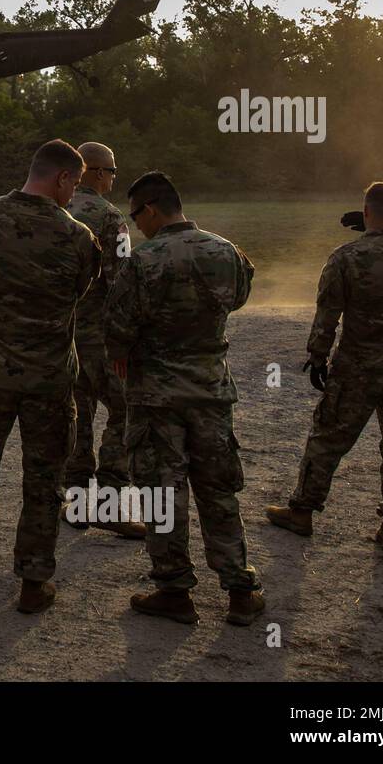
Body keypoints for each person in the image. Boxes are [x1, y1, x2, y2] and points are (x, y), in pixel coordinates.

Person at [0, 139, 99, 614]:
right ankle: (33, 581)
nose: (75, 193)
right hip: (47, 380)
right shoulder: (77, 237)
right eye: (75, 183)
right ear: (64, 178)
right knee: (44, 479)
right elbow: (81, 291)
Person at [105, 171, 264, 627]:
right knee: (218, 489)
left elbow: (117, 329)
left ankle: (173, 590)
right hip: (211, 391)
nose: (137, 226)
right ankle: (239, 590)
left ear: (151, 209)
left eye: (137, 216)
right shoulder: (227, 251)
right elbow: (236, 299)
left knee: (160, 492)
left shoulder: (143, 261)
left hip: (156, 396)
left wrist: (126, 353)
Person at [266, 182, 383, 554]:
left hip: (358, 365)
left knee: (328, 438)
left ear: (366, 211)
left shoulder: (345, 257)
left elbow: (328, 313)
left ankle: (303, 511)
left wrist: (317, 355)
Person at [63, 141, 143, 538]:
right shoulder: (111, 218)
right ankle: (111, 505)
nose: (114, 177)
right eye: (111, 171)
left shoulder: (55, 208)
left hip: (63, 336)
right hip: (99, 336)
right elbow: (122, 282)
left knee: (77, 414)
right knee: (122, 411)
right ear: (95, 172)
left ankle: (75, 504)